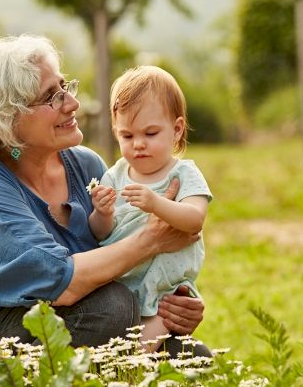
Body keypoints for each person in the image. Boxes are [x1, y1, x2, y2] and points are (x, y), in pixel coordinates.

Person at [0, 35, 207, 357]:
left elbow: (116, 255)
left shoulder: (85, 164)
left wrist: (173, 301)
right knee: (111, 308)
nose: (72, 103)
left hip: (61, 319)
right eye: (51, 97)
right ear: (5, 118)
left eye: (65, 87)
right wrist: (153, 240)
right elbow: (61, 282)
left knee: (190, 356)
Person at [89, 65, 211, 352]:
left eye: (151, 133)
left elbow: (194, 220)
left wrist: (157, 203)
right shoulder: (114, 175)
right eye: (127, 136)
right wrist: (102, 214)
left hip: (165, 288)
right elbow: (99, 233)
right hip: (124, 279)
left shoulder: (183, 174)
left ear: (177, 129)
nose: (139, 144)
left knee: (138, 349)